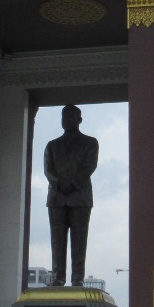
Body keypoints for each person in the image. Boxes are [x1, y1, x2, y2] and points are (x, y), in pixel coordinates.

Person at [44, 104, 99, 286]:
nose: (66, 120)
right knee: (57, 240)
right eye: (64, 117)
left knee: (79, 240)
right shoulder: (52, 145)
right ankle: (58, 277)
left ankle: (77, 278)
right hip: (56, 198)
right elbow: (48, 170)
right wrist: (60, 184)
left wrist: (73, 183)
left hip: (80, 197)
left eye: (70, 117)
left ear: (79, 120)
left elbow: (89, 166)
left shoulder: (90, 143)